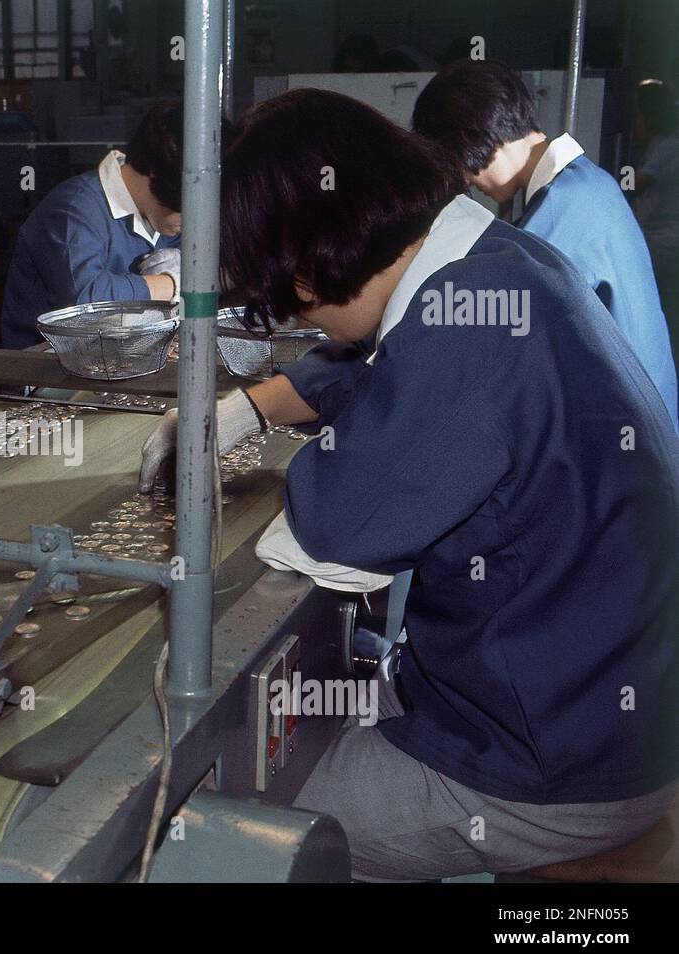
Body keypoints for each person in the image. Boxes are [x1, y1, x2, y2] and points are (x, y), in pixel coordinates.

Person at [143, 89, 679, 881]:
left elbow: (332, 532)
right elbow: (386, 368)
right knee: (315, 711)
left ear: (301, 275)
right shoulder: (499, 262)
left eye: (298, 314)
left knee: (225, 826)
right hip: (577, 699)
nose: (309, 331)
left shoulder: (465, 330)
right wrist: (250, 408)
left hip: (546, 761)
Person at [412, 59, 678, 429]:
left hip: (631, 444)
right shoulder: (586, 181)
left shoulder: (562, 206)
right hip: (646, 427)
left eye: (460, 167)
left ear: (477, 141)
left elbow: (490, 326)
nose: (467, 183)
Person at [0, 103, 184, 349]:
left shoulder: (160, 214)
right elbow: (85, 300)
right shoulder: (74, 208)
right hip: (47, 365)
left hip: (125, 355)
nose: (190, 223)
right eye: (186, 210)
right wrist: (172, 284)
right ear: (154, 174)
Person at [633, 80, 679, 365]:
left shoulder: (668, 147)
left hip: (665, 239)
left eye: (637, 115)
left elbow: (637, 182)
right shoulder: (657, 146)